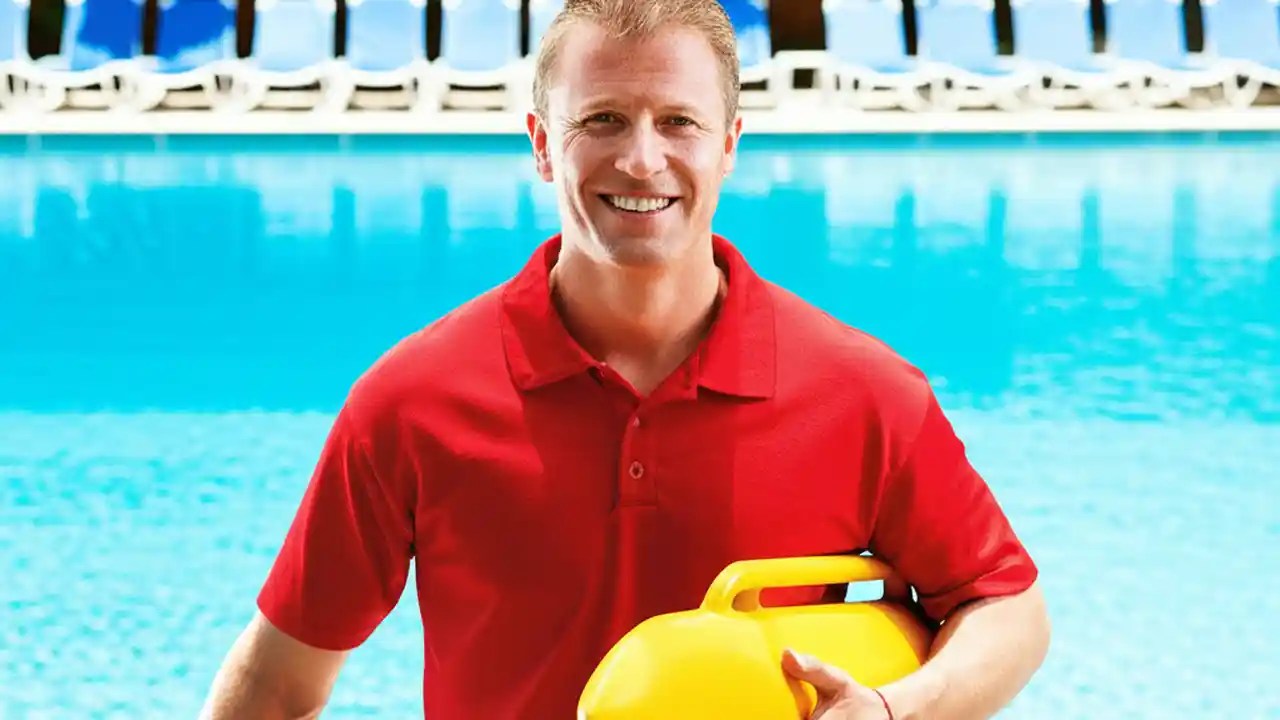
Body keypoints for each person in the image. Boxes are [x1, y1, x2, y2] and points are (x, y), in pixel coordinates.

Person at [198, 0, 1050, 718]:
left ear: (728, 144)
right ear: (541, 142)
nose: (643, 159)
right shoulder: (412, 400)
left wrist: (899, 709)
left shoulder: (862, 390)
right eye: (602, 119)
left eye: (678, 121)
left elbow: (1006, 604)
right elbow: (279, 682)